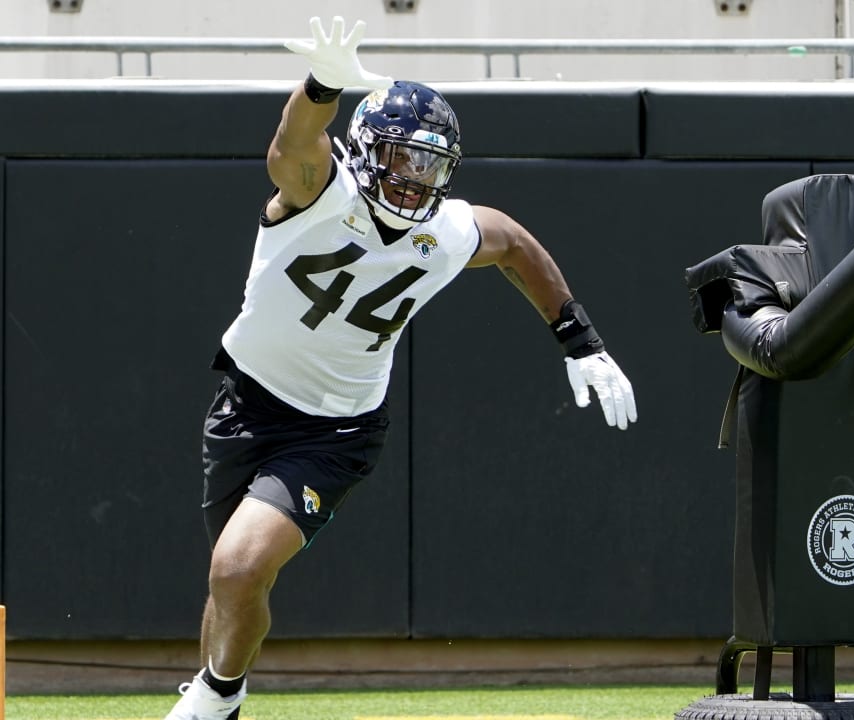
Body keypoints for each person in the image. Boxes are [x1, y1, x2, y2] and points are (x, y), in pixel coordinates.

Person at [164, 16, 638, 720]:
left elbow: (510, 241)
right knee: (230, 585)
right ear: (364, 151)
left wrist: (581, 338)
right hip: (244, 406)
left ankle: (215, 696)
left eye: (430, 166)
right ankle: (220, 699)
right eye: (404, 159)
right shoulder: (319, 193)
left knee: (237, 569)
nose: (417, 181)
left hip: (333, 432)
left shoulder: (443, 232)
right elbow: (293, 142)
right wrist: (322, 84)